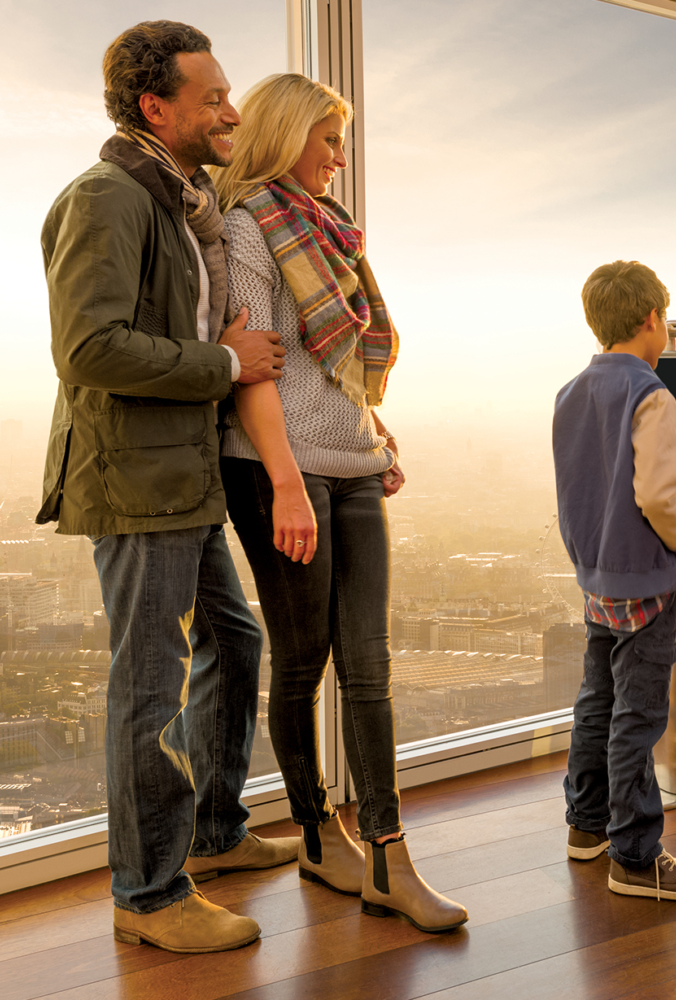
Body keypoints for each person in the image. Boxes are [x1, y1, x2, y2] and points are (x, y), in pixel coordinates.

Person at [38, 21, 298, 953]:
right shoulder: (108, 199)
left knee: (232, 643)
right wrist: (226, 361)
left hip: (181, 477)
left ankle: (213, 832)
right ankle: (148, 896)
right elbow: (90, 347)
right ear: (157, 108)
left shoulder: (178, 200)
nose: (232, 109)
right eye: (215, 97)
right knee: (149, 690)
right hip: (138, 479)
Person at [210, 73, 466, 934]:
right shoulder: (248, 229)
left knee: (370, 666)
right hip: (279, 469)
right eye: (328, 140)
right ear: (287, 138)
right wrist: (286, 482)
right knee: (301, 659)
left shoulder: (329, 233)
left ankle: (389, 856)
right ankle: (319, 834)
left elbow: (338, 364)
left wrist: (372, 427)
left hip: (351, 462)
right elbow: (256, 366)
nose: (339, 157)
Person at [552, 260, 676, 901]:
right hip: (645, 579)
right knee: (638, 716)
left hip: (594, 575)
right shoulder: (651, 394)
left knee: (596, 701)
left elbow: (576, 489)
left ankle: (586, 826)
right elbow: (656, 492)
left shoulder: (570, 393)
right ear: (654, 320)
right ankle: (636, 856)